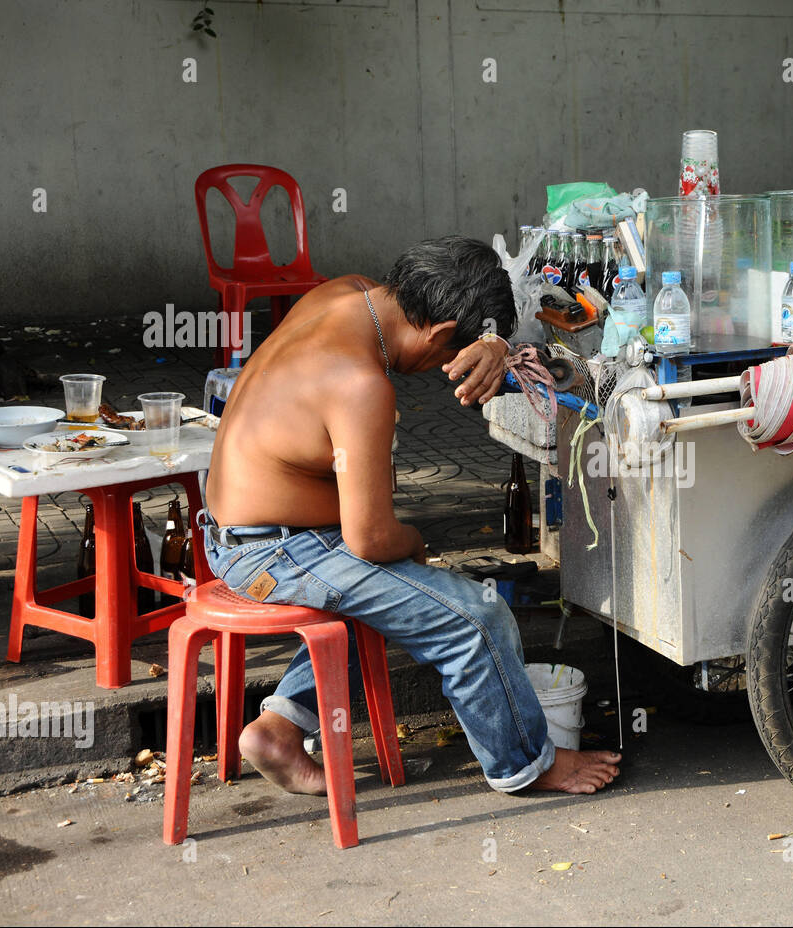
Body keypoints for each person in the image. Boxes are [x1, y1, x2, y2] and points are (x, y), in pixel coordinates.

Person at [200, 235, 621, 796]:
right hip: (276, 552)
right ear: (443, 333)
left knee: (397, 596)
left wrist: (495, 340)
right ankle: (526, 765)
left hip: (246, 533)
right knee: (476, 617)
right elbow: (372, 538)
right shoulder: (360, 386)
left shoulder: (345, 292)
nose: (445, 366)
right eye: (454, 351)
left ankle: (277, 729)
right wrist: (415, 543)